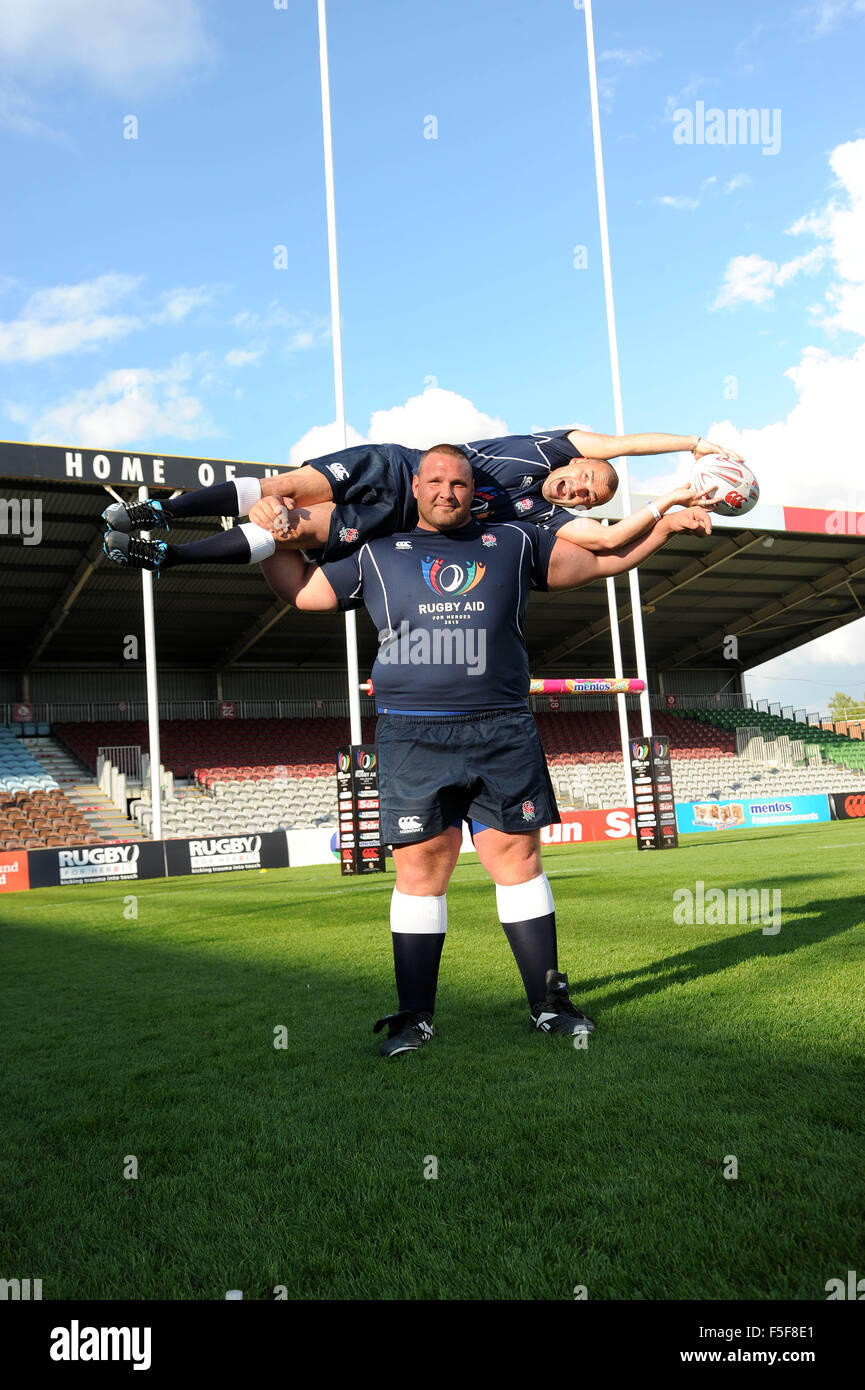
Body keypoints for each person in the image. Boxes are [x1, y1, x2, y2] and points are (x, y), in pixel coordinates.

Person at [261, 443, 713, 1058]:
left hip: (501, 729)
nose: (449, 491)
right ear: (415, 488)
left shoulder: (517, 542)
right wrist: (269, 534)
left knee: (519, 863)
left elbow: (606, 562)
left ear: (477, 490)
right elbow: (301, 591)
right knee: (421, 871)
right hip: (413, 734)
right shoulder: (375, 551)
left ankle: (549, 1004)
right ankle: (414, 1017)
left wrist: (665, 523)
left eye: (461, 483)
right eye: (437, 481)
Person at [100, 425, 733, 572]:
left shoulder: (544, 516)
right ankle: (155, 510)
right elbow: (623, 442)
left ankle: (167, 559)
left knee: (291, 529)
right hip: (398, 467)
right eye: (585, 476)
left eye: (587, 495)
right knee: (280, 487)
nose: (576, 488)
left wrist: (670, 505)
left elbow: (606, 542)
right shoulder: (551, 446)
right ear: (579, 461)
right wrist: (692, 442)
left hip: (398, 515)